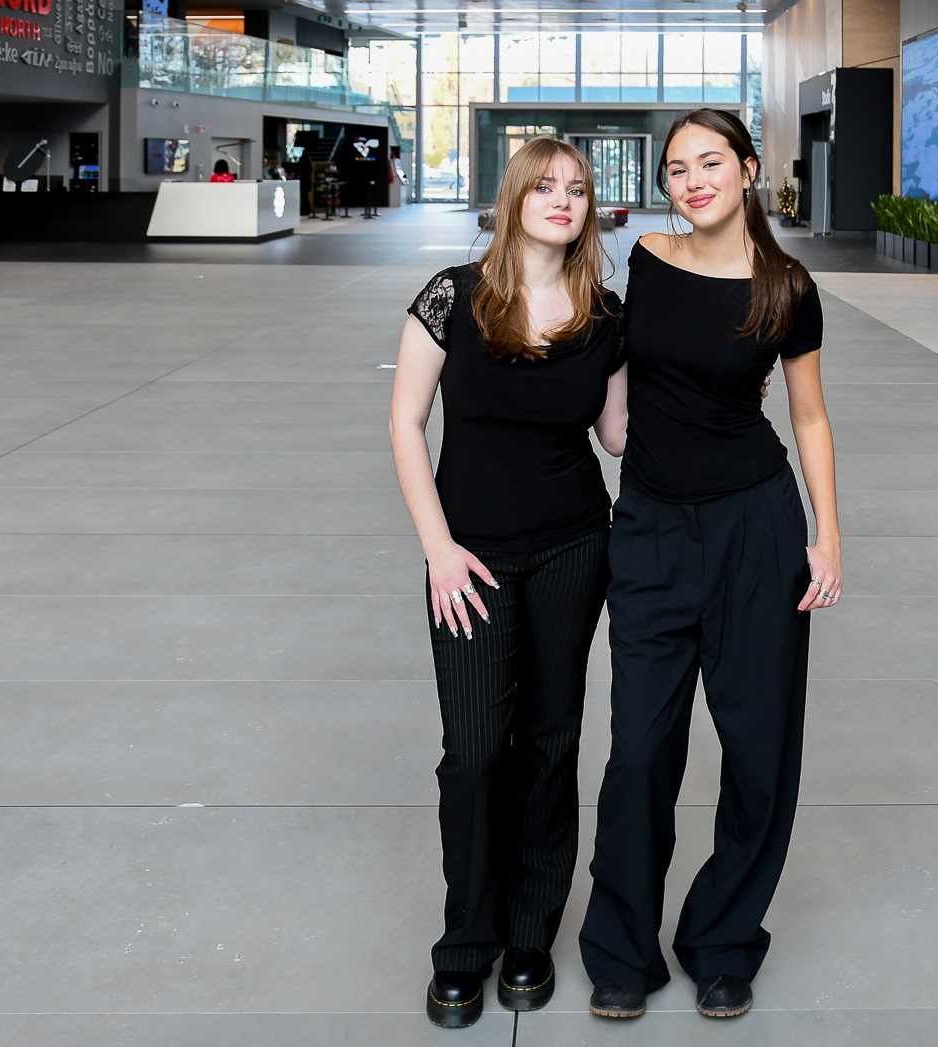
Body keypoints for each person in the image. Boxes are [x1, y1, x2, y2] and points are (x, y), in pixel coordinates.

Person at [579, 108, 842, 1021]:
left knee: (761, 752)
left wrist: (829, 534)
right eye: (677, 168)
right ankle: (620, 946)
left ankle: (723, 939)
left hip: (756, 529)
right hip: (649, 528)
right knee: (640, 750)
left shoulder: (788, 287)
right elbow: (604, 356)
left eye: (709, 163)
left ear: (748, 168)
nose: (692, 181)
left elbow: (808, 416)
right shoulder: (646, 259)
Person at [389, 137, 628, 1029]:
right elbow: (406, 422)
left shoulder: (605, 315)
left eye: (578, 189)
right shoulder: (453, 295)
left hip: (573, 547)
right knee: (475, 751)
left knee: (551, 741)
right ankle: (465, 942)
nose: (563, 200)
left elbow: (618, 435)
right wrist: (439, 548)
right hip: (470, 558)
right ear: (515, 197)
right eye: (547, 186)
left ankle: (530, 933)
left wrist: (719, 385)